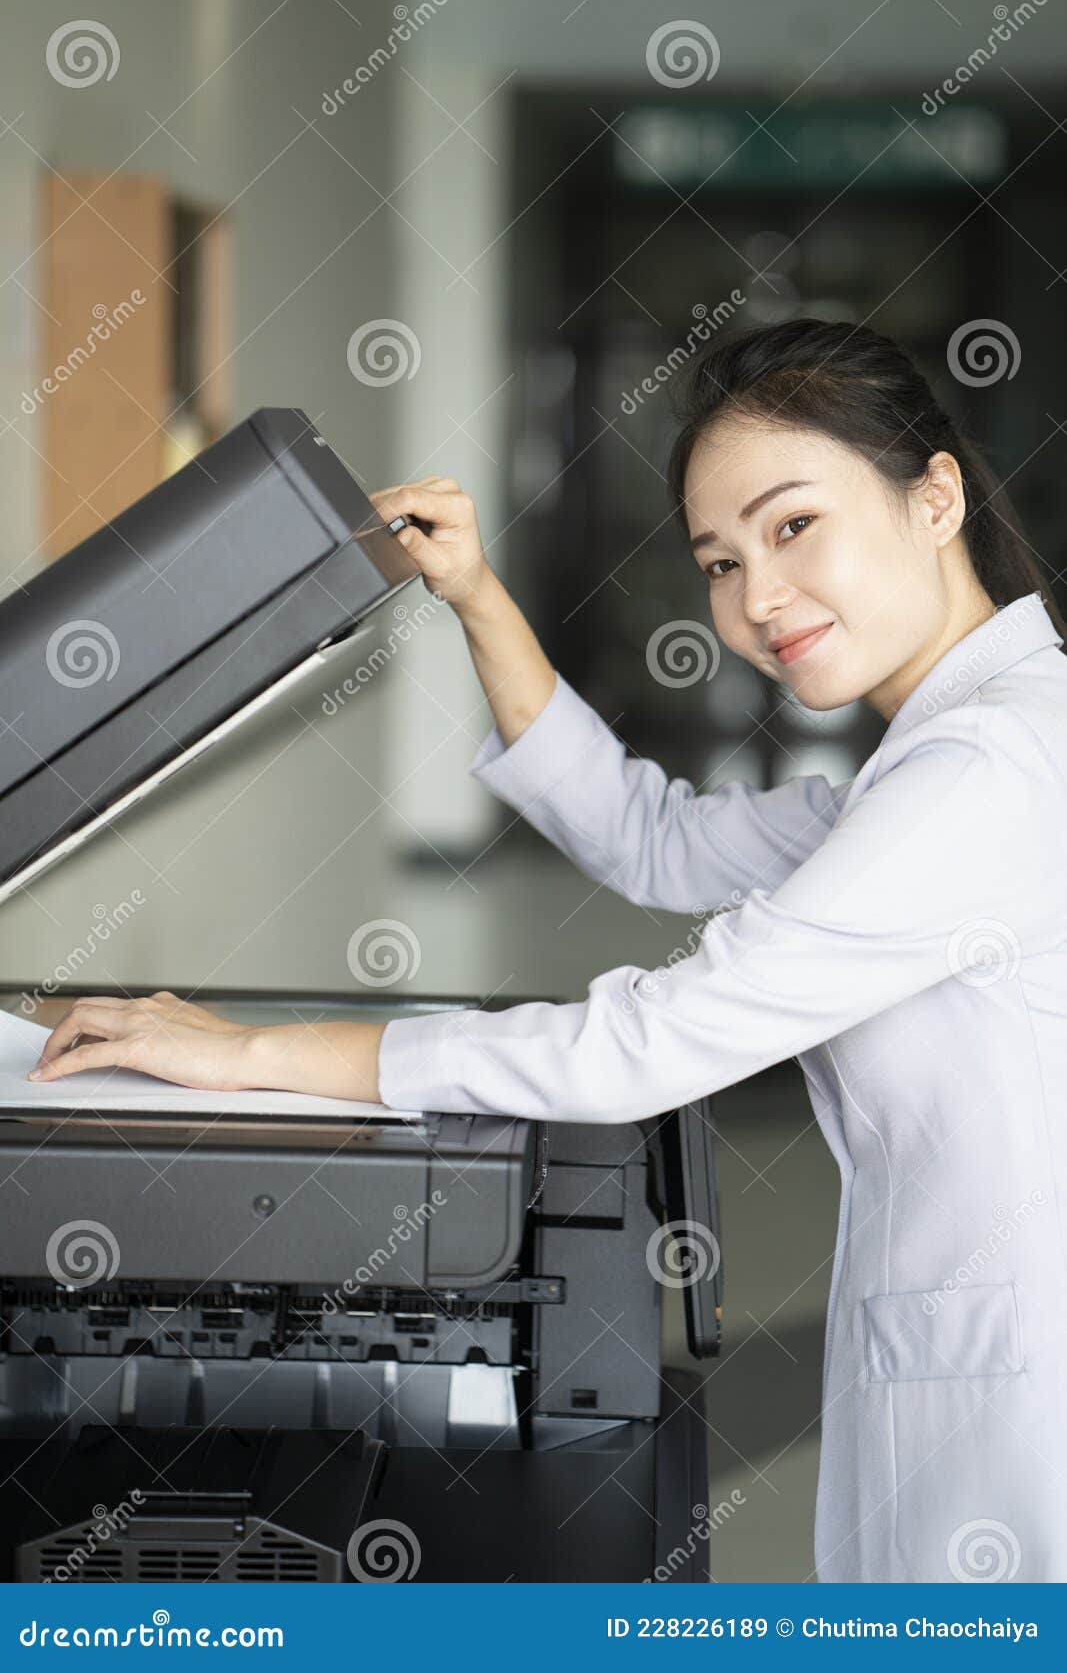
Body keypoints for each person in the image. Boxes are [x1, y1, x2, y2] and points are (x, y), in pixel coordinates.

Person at [28, 318, 1067, 1583]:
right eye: (718, 561)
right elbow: (655, 841)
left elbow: (644, 1042)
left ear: (934, 495)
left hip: (1019, 1409)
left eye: (792, 526)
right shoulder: (941, 758)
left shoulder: (987, 772)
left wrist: (249, 1049)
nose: (756, 599)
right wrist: (476, 597)